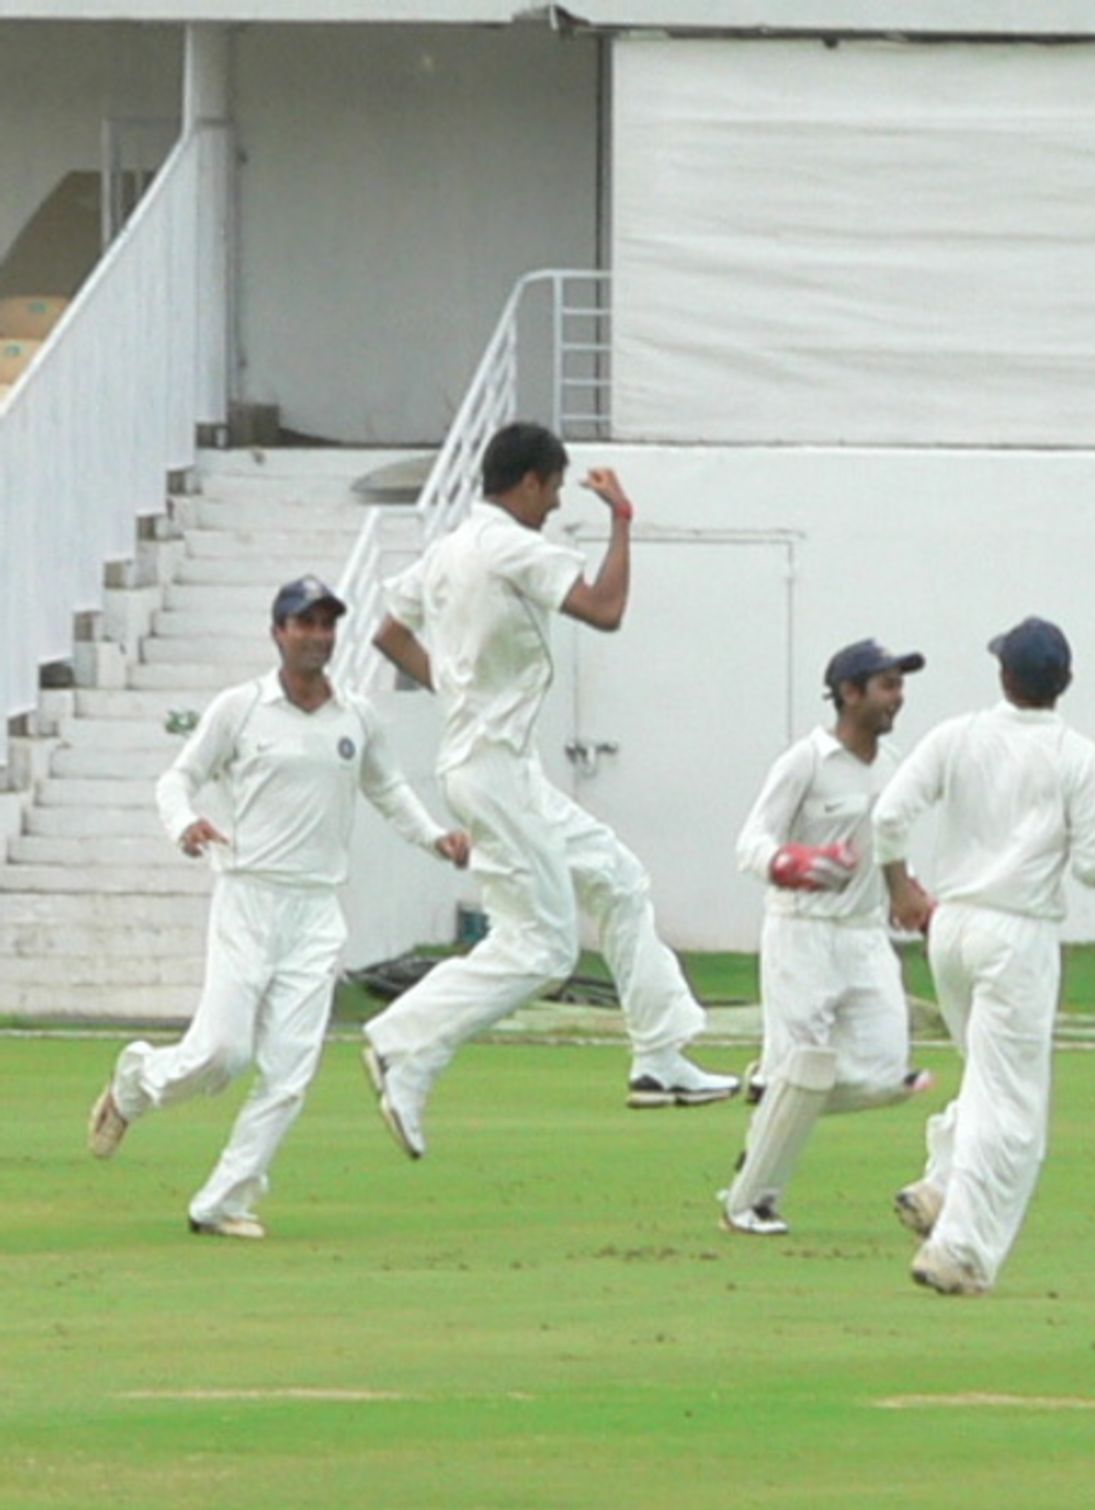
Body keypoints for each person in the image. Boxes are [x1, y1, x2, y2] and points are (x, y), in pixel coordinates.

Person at [361, 420, 739, 1159]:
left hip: (499, 768)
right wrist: (622, 520)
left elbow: (389, 635)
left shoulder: (448, 549)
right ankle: (405, 1044)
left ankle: (660, 1058)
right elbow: (605, 610)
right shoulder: (510, 545)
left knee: (619, 880)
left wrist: (460, 695)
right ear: (530, 482)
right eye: (555, 489)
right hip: (493, 774)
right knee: (541, 948)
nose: (557, 504)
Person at [86, 576, 469, 1238]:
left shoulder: (356, 717)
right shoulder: (240, 708)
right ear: (278, 633)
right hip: (248, 898)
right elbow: (177, 778)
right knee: (222, 1053)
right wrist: (185, 824)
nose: (318, 635)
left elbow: (388, 789)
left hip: (316, 911)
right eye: (304, 623)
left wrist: (436, 838)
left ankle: (223, 1201)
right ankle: (136, 1080)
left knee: (290, 1073)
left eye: (327, 624)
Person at [873, 617, 1095, 1295]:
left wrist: (901, 887)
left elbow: (889, 816)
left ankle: (941, 1184)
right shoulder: (1077, 756)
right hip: (1018, 933)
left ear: (1004, 676)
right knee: (1012, 1107)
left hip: (951, 928)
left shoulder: (958, 735)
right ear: (1065, 682)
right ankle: (960, 1249)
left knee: (987, 1073)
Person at [720, 639, 934, 1236]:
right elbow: (751, 843)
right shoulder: (805, 762)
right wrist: (794, 863)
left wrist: (907, 894)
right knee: (806, 1068)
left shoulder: (893, 766)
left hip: (865, 937)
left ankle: (774, 1088)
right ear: (849, 692)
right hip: (801, 933)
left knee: (887, 1072)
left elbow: (890, 843)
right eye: (887, 685)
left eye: (900, 685)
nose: (898, 697)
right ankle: (749, 1203)